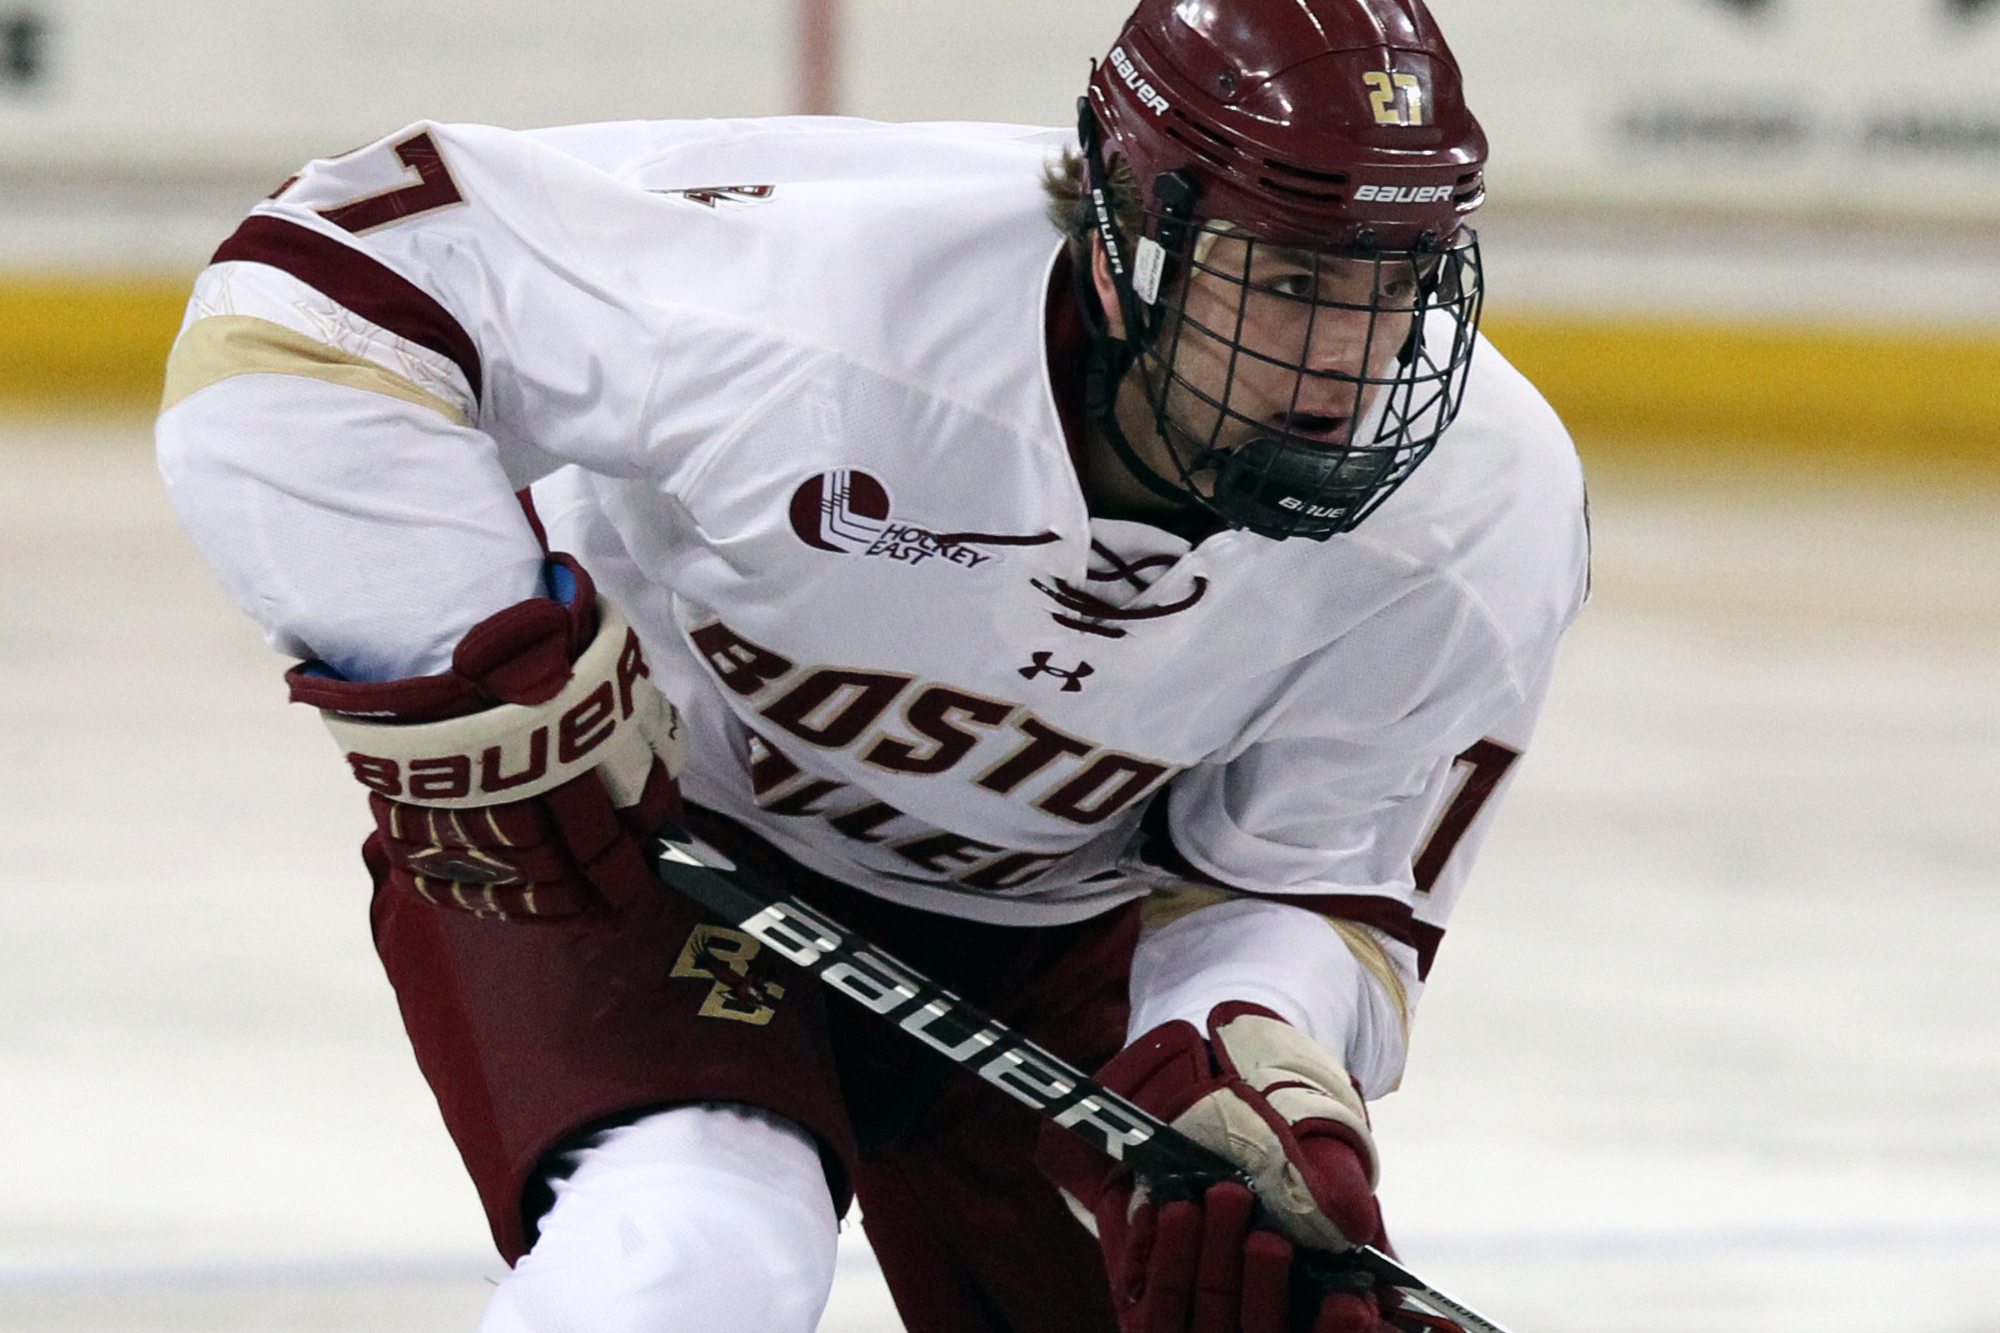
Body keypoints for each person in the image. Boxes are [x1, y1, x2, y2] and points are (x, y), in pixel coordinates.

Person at [156, 0, 1588, 1328]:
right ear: (1126, 231)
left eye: (1398, 280)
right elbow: (305, 299)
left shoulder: (1479, 514)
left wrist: (1250, 1046)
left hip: (1055, 928)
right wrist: (470, 664)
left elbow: (1310, 881)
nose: (1351, 355)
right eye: (1288, 278)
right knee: (694, 1250)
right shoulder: (817, 296)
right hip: (641, 834)